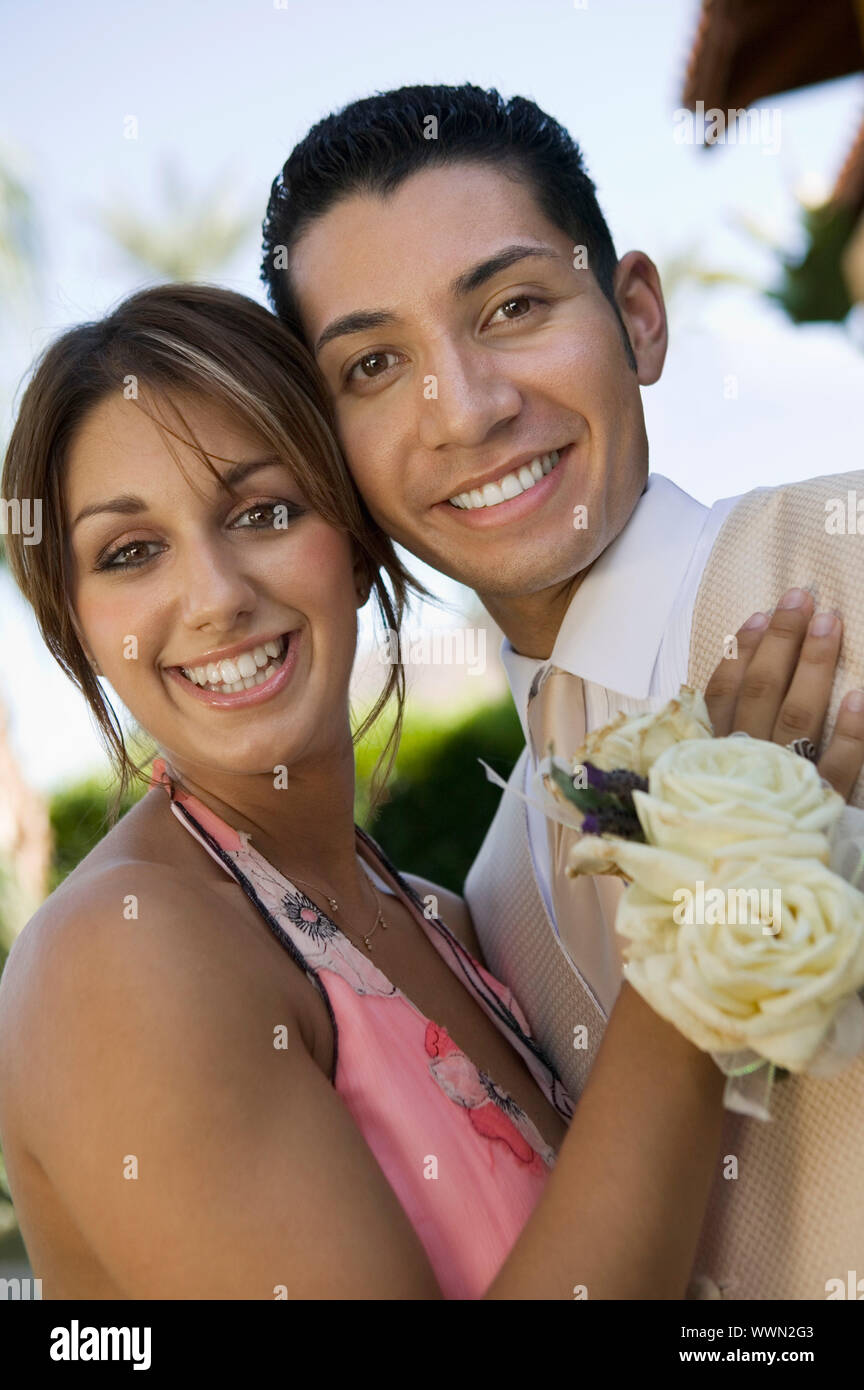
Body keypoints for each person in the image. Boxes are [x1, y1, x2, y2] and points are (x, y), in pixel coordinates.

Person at [0, 283, 853, 1301]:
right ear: (80, 627)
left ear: (357, 545)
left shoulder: (447, 915)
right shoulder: (122, 949)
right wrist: (717, 872)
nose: (218, 595)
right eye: (130, 553)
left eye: (264, 511)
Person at [260, 82, 864, 1298]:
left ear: (637, 315)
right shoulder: (492, 905)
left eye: (513, 306)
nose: (470, 410)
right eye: (376, 365)